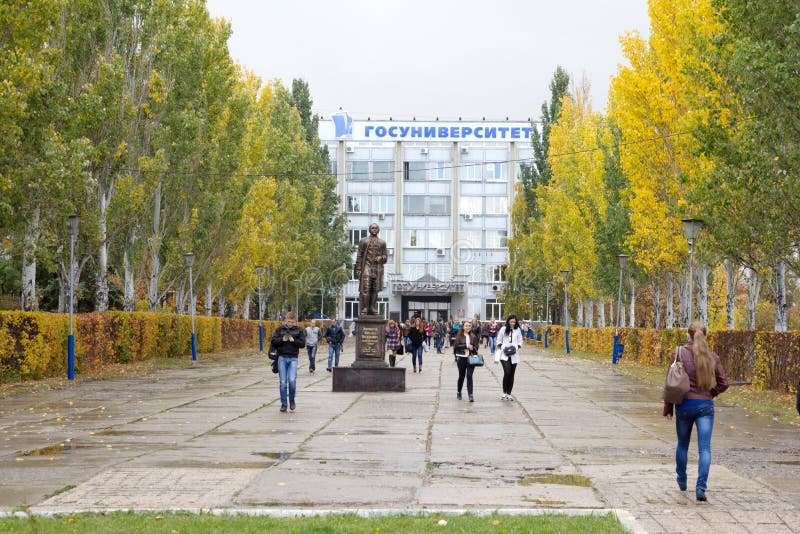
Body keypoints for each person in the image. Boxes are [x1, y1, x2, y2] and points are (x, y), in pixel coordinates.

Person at [663, 322, 729, 502]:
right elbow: (724, 383)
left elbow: (670, 383)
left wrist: (668, 407)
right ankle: (701, 488)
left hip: (683, 405)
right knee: (705, 449)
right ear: (704, 336)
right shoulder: (712, 356)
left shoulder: (678, 353)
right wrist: (711, 394)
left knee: (682, 444)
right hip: (705, 407)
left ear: (688, 335)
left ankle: (682, 480)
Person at [270, 312, 306, 412]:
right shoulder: (280, 329)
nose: (290, 323)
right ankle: (284, 403)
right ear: (286, 321)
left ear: (295, 322)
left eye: (292, 322)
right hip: (282, 357)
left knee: (292, 381)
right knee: (282, 382)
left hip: (293, 358)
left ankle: (291, 399)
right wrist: (282, 339)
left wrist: (293, 340)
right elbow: (273, 341)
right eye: (289, 321)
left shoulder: (298, 330)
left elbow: (302, 344)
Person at [354, 223, 388, 316]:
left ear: (378, 230)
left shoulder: (382, 242)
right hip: (367, 267)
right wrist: (358, 268)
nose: (374, 229)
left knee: (375, 289)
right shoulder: (363, 241)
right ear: (369, 230)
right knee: (366, 288)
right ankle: (365, 308)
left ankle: (372, 307)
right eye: (372, 228)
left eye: (376, 228)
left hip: (377, 268)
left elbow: (385, 257)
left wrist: (381, 258)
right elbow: (359, 255)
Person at [496, 314, 523, 401]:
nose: (513, 323)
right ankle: (504, 392)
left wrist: (517, 347)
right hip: (504, 354)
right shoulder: (503, 329)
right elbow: (499, 339)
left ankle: (509, 393)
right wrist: (501, 346)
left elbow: (520, 340)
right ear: (508, 321)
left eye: (514, 322)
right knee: (507, 372)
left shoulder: (517, 330)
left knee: (512, 374)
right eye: (511, 322)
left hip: (514, 354)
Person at [453, 321, 480, 401]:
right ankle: (459, 391)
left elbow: (476, 347)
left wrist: (473, 348)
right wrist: (466, 346)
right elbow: (456, 347)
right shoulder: (459, 336)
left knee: (469, 376)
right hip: (461, 358)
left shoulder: (473, 336)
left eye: (469, 326)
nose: (468, 327)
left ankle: (470, 394)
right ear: (463, 327)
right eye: (466, 326)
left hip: (471, 358)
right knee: (461, 376)